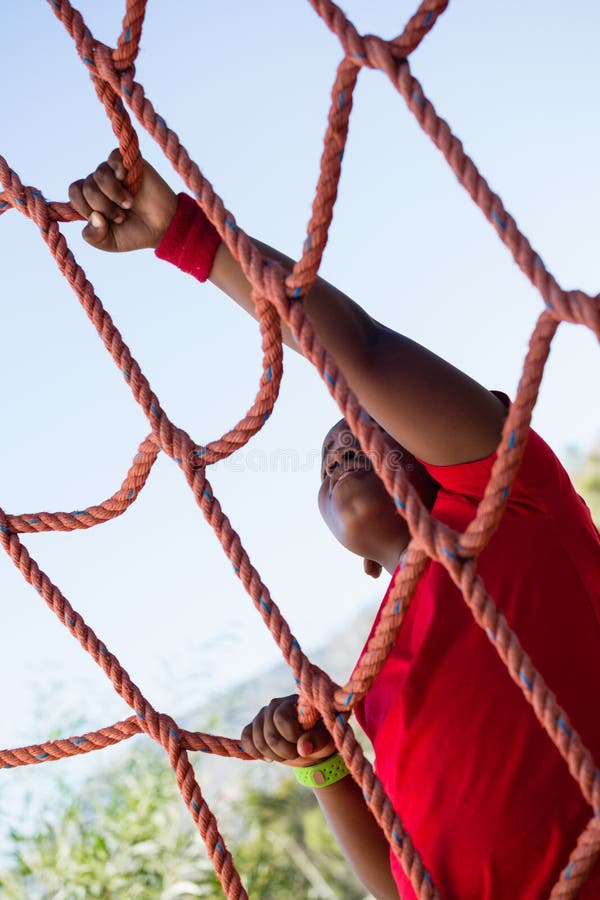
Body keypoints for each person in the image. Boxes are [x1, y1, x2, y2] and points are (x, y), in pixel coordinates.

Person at [69, 152, 600, 899]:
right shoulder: (369, 686)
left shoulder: (510, 505)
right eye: (330, 458)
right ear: (353, 558)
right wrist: (322, 763)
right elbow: (401, 883)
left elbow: (358, 351)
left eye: (367, 424)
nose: (347, 438)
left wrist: (182, 233)